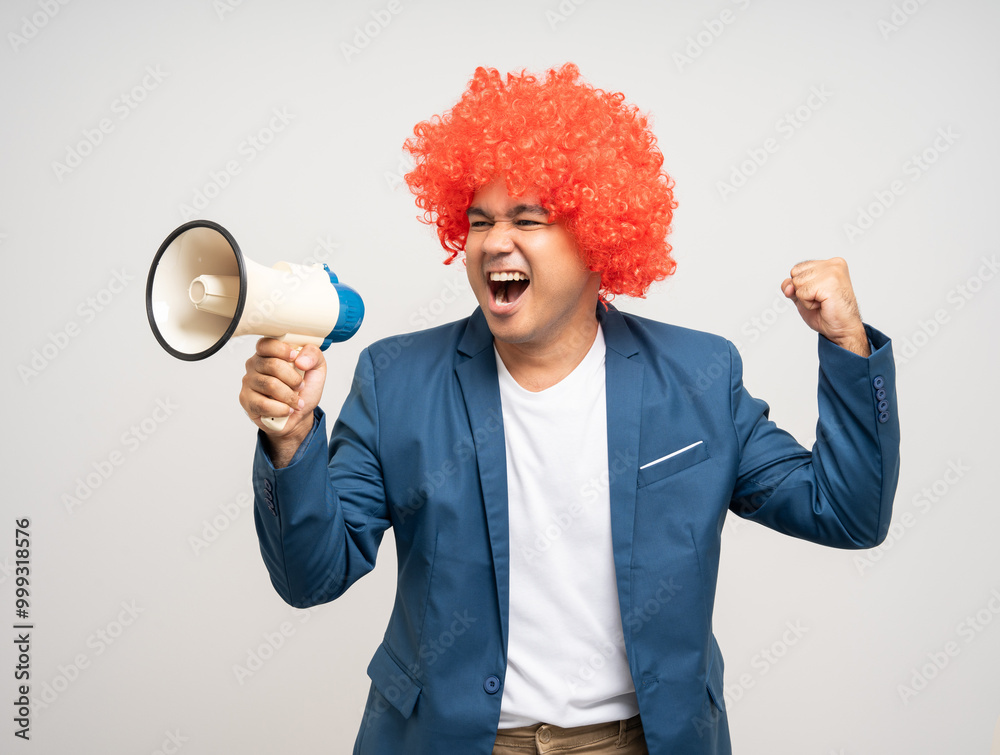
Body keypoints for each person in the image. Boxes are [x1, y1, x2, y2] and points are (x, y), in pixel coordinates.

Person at [238, 64, 899, 755]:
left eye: (528, 220)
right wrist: (290, 439)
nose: (496, 242)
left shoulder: (698, 377)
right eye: (480, 221)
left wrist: (848, 345)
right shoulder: (397, 379)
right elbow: (312, 577)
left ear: (597, 239)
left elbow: (846, 513)